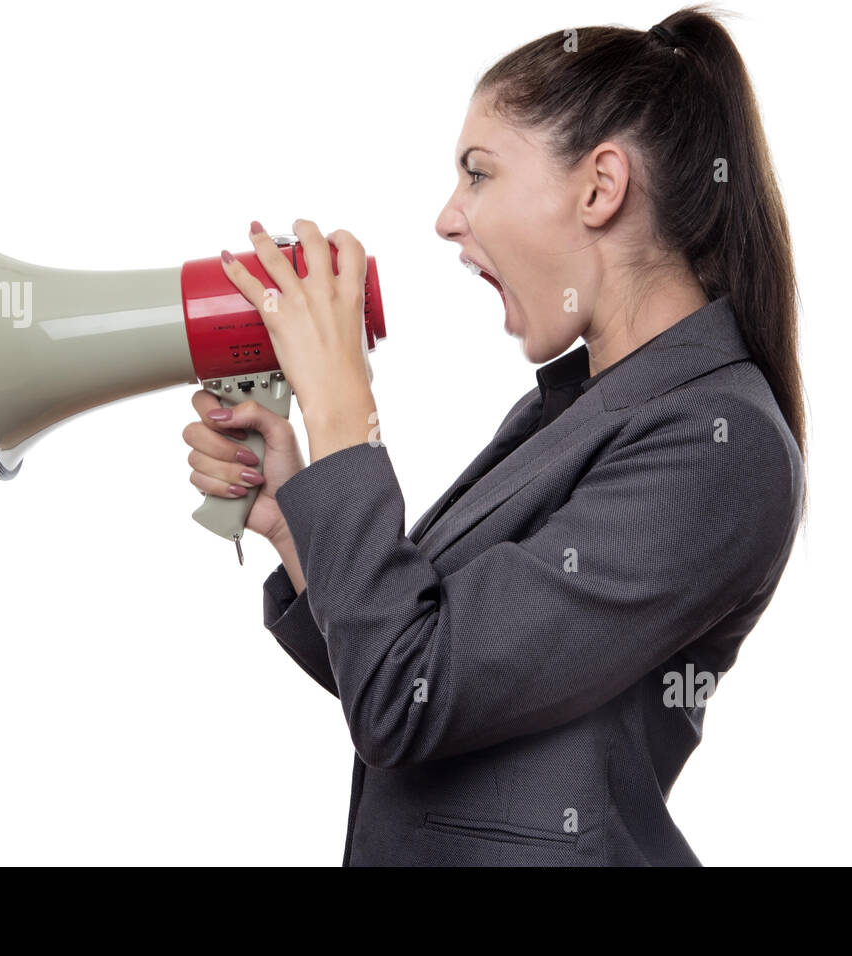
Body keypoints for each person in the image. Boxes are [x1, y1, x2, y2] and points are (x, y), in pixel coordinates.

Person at [182, 6, 807, 866]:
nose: (447, 217)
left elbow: (409, 693)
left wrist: (339, 413)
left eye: (479, 173)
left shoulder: (720, 443)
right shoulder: (569, 411)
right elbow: (409, 660)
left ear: (599, 187)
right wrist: (301, 520)